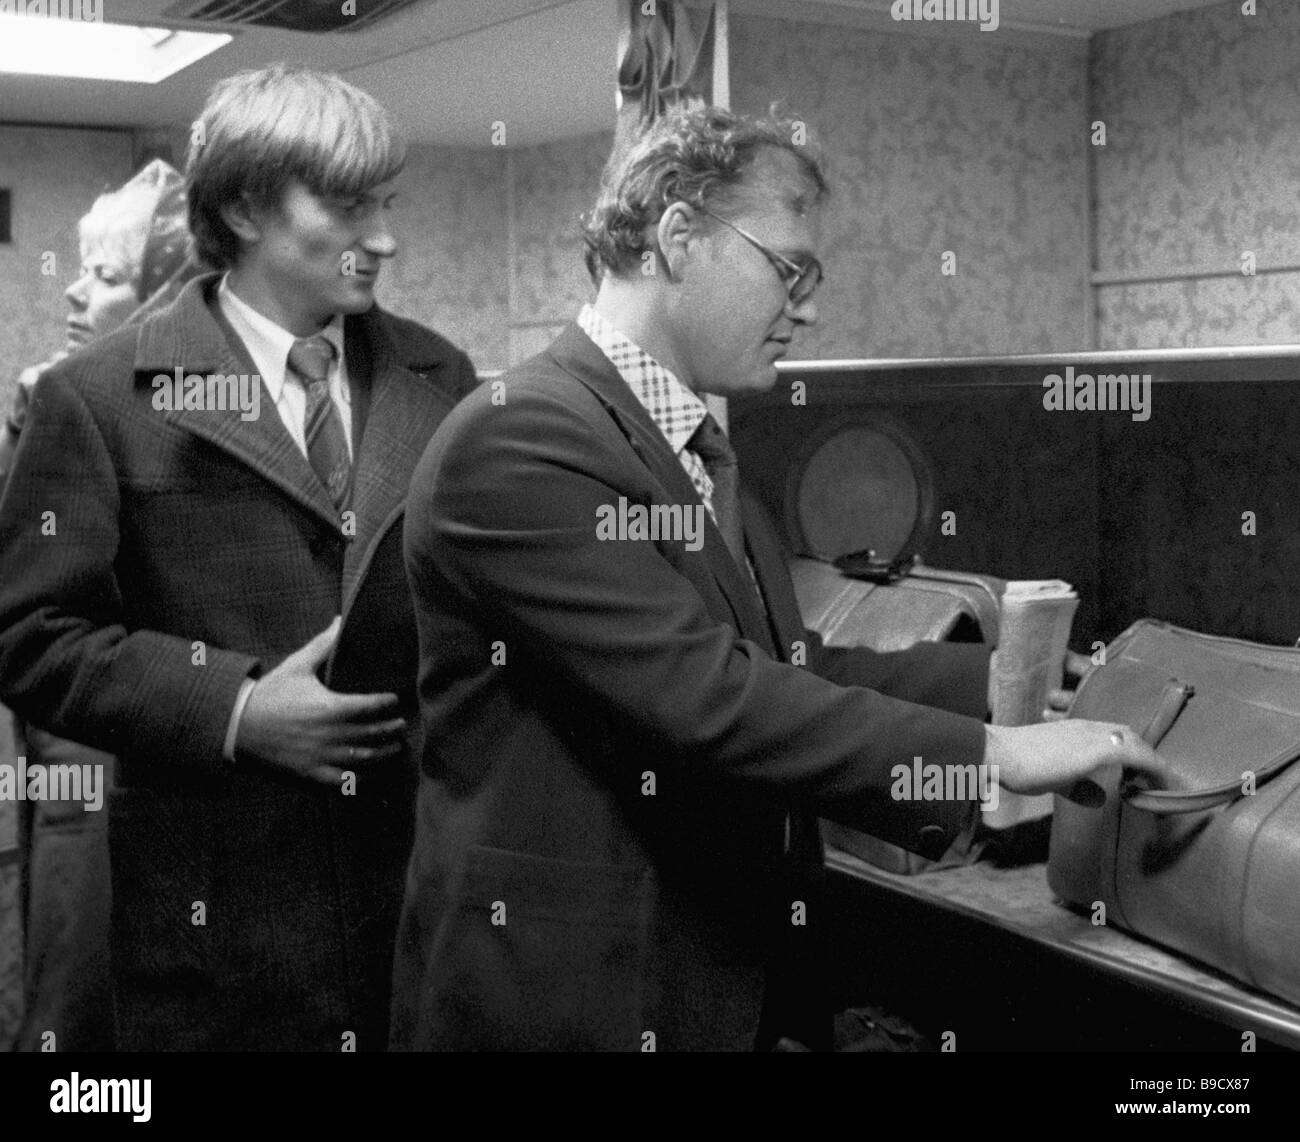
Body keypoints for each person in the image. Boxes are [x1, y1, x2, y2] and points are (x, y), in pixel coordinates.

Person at [390, 105, 1167, 1052]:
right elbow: (708, 696)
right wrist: (992, 756)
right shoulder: (519, 438)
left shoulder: (687, 441)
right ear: (679, 237)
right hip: (570, 998)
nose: (809, 307)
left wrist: (1021, 692)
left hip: (703, 978)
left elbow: (787, 661)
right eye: (789, 268)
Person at [0, 64, 476, 1051]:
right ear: (250, 203)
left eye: (385, 202)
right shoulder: (97, 397)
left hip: (418, 906)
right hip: (219, 926)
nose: (382, 237)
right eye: (347, 205)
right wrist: (237, 707)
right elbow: (29, 635)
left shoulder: (443, 376)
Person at [0, 158, 196, 1052]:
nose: (75, 291)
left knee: (101, 981)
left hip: (136, 749)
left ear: (163, 298)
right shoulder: (51, 401)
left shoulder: (182, 411)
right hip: (69, 743)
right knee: (69, 975)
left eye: (107, 276)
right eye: (82, 270)